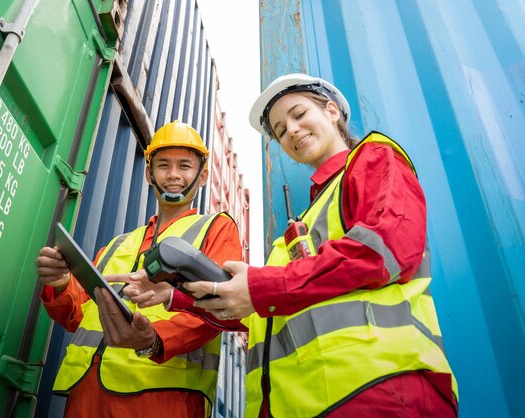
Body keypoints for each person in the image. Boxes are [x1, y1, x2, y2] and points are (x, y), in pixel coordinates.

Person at [165, 73, 458, 417]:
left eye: (298, 114)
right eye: (279, 130)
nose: (290, 130)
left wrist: (262, 287)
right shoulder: (303, 223)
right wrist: (175, 297)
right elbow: (268, 314)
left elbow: (384, 251)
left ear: (332, 111)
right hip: (305, 404)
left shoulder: (373, 158)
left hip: (378, 390)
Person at [35, 120, 242, 418]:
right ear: (149, 173)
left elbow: (222, 309)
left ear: (203, 175)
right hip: (86, 393)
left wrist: (154, 339)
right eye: (163, 165)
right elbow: (80, 315)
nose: (173, 175)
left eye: (184, 165)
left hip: (163, 397)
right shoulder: (118, 244)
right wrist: (60, 282)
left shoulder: (216, 229)